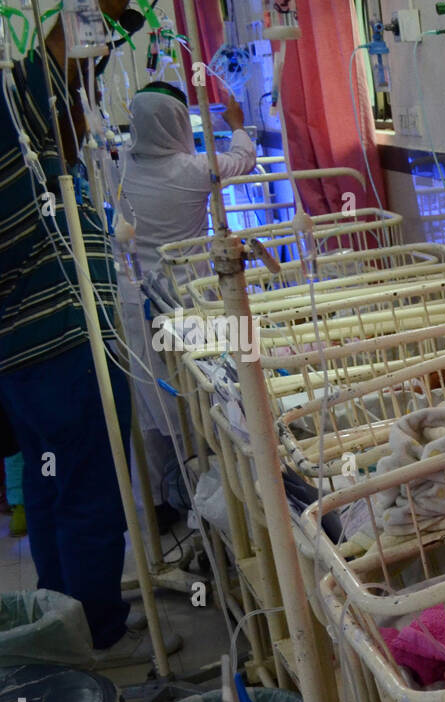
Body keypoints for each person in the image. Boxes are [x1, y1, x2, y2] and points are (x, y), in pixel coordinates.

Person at [0, 1, 177, 665]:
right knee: (90, 487)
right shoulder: (13, 125)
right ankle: (99, 630)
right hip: (62, 349)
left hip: (20, 357)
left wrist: (102, 47)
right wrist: (98, 14)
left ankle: (60, 615)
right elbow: (51, 73)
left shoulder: (33, 149)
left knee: (50, 481)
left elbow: (63, 93)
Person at [117, 80, 256, 523]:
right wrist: (234, 124)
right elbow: (245, 160)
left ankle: (160, 504)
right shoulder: (194, 170)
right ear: (179, 122)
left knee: (152, 397)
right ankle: (210, 502)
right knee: (199, 394)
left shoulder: (118, 168)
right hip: (185, 299)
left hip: (134, 299)